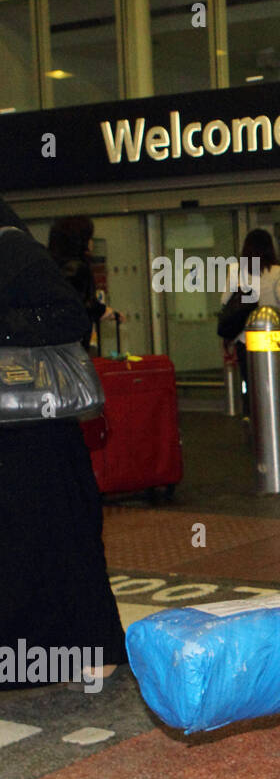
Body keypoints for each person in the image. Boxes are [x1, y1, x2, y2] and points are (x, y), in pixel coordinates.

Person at [1, 200, 126, 692]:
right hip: (21, 438)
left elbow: (68, 318)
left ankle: (90, 654)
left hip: (37, 433)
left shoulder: (15, 252)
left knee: (59, 538)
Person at [220, 229, 280, 416]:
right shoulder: (276, 271)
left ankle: (252, 421)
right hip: (274, 338)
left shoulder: (236, 269)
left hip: (246, 338)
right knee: (277, 383)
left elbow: (224, 301)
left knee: (250, 383)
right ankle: (277, 420)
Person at [47, 216, 123, 352]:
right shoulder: (77, 268)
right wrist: (102, 310)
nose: (91, 243)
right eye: (89, 238)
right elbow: (80, 304)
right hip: (72, 344)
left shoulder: (49, 265)